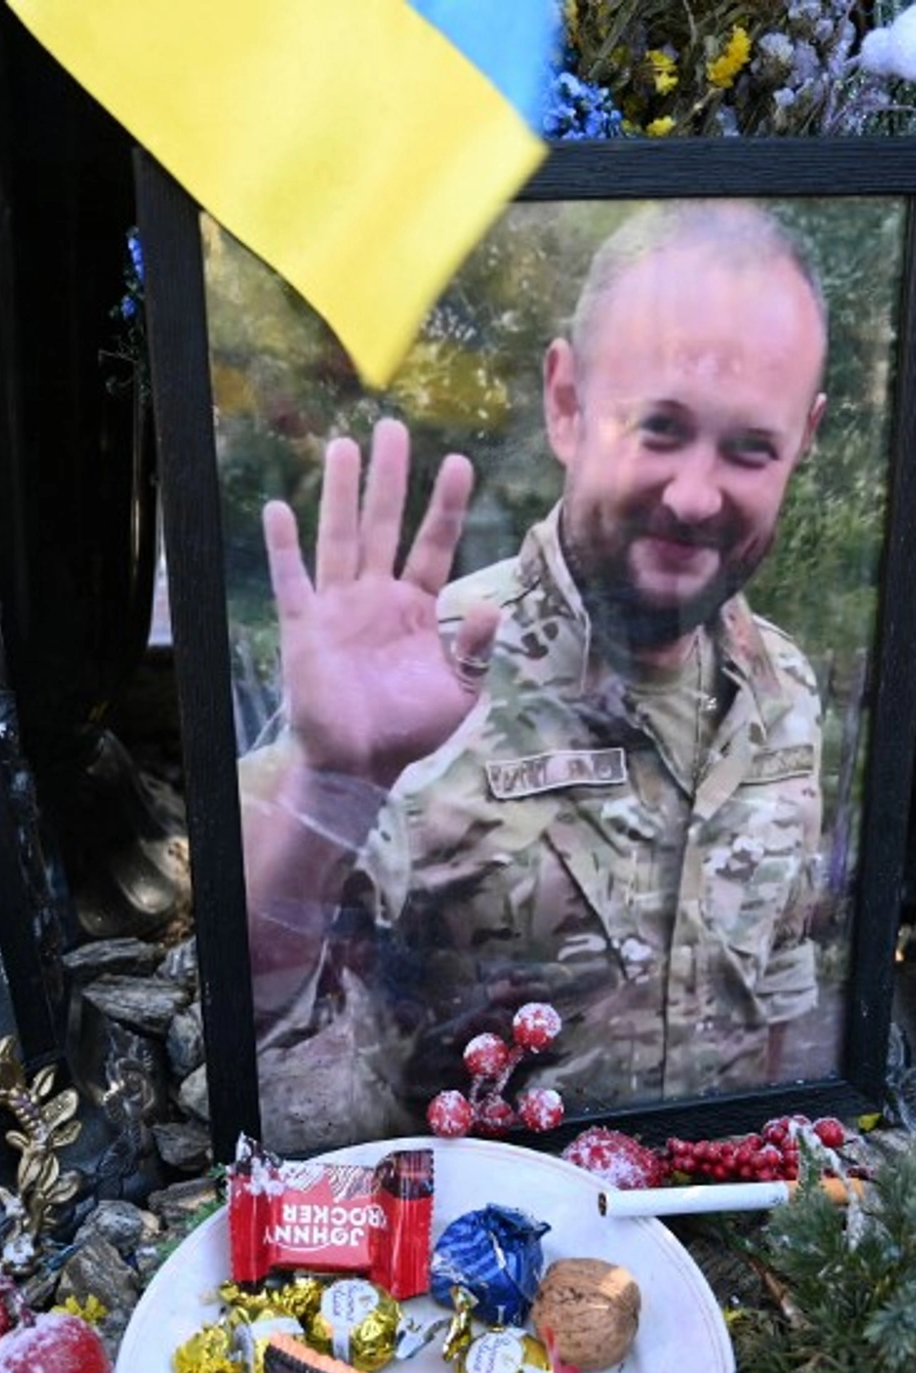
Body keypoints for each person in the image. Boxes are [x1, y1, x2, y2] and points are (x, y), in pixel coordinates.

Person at [239, 202, 834, 1146]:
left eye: (749, 448)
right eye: (661, 427)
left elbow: (781, 994)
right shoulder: (408, 683)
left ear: (803, 439)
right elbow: (245, 1067)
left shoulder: (786, 691)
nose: (694, 494)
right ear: (567, 403)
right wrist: (328, 787)